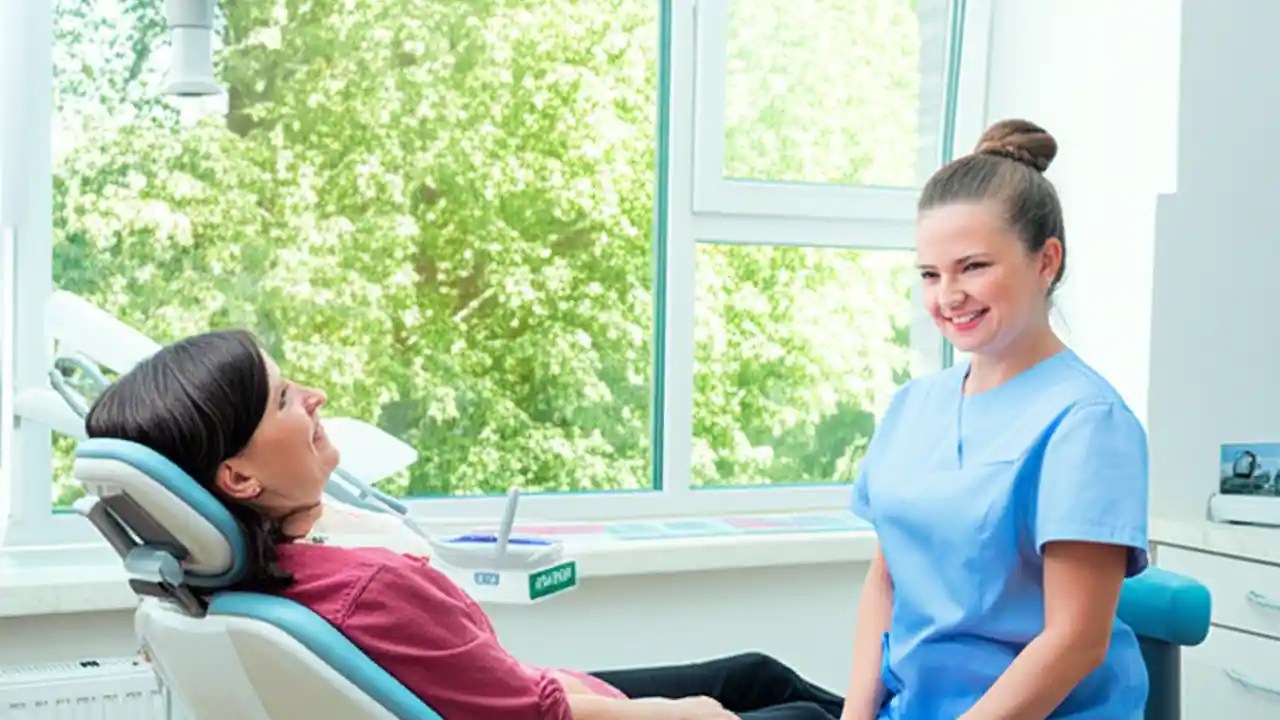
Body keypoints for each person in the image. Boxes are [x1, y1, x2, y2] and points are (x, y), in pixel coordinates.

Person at [83, 329, 844, 720]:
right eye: (284, 399)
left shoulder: (249, 576)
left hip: (529, 692)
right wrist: (676, 713)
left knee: (754, 672)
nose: (314, 396)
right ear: (239, 478)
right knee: (802, 712)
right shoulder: (367, 587)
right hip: (544, 710)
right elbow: (535, 717)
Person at [841, 119, 1150, 720]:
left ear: (1046, 261)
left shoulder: (1087, 423)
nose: (948, 295)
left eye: (973, 266)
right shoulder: (913, 407)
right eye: (930, 274)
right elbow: (885, 582)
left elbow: (1076, 641)